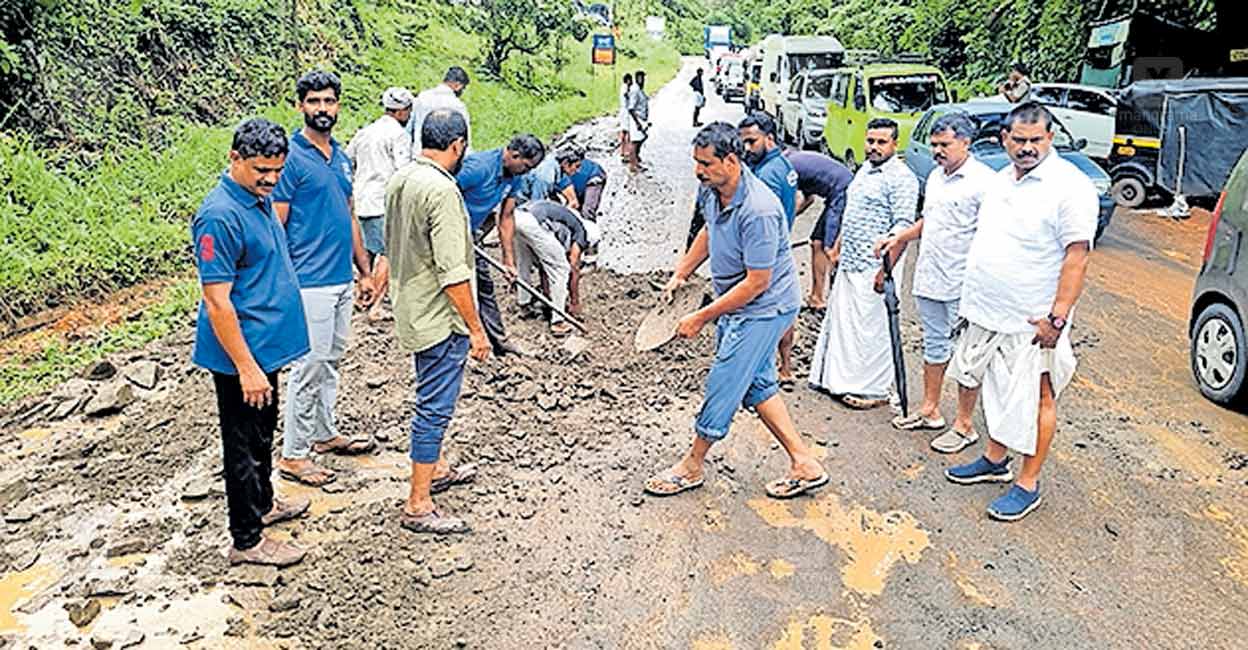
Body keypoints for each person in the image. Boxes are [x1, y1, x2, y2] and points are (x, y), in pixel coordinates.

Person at [644, 122, 827, 500]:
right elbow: (709, 233)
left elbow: (758, 282)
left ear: (731, 160)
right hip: (740, 303)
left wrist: (702, 315)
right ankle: (804, 463)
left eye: (706, 163)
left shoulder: (758, 210)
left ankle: (692, 464)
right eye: (696, 162)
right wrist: (681, 273)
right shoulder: (714, 192)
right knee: (758, 385)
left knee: (724, 383)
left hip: (764, 308)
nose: (699, 171)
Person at [944, 102, 1096, 522]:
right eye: (1020, 140)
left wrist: (1058, 317)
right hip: (989, 310)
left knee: (1037, 394)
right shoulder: (1000, 180)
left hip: (1034, 320)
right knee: (995, 387)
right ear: (1004, 139)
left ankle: (1028, 483)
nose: (1027, 148)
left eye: (1036, 140)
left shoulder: (1071, 187)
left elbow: (1077, 258)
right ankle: (995, 458)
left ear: (1050, 138)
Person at [191, 118, 311, 567]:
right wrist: (246, 367)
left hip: (265, 348)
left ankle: (264, 504)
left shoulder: (258, 199)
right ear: (234, 158)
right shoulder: (219, 216)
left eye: (277, 171)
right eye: (262, 170)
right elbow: (218, 302)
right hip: (241, 356)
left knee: (262, 436)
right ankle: (247, 541)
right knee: (241, 446)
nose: (271, 179)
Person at [378, 109, 490, 534]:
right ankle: (418, 502)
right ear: (459, 145)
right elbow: (453, 272)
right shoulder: (442, 191)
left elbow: (389, 242)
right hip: (440, 318)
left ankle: (437, 468)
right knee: (434, 406)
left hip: (411, 307)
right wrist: (476, 329)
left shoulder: (402, 179)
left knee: (430, 392)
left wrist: (377, 282)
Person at [272, 70, 377, 488]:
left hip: (339, 277)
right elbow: (276, 226)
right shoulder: (290, 159)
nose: (322, 109)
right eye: (313, 101)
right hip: (307, 280)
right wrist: (278, 283)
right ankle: (294, 454)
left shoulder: (341, 157)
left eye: (328, 101)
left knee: (330, 361)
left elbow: (348, 214)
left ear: (337, 105)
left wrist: (365, 271)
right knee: (309, 365)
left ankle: (323, 433)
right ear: (300, 105)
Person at [874, 112, 993, 452]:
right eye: (934, 145)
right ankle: (930, 410)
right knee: (934, 344)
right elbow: (928, 221)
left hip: (965, 282)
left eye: (944, 145)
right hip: (931, 275)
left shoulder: (984, 183)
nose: (937, 151)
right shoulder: (937, 178)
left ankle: (965, 425)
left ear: (966, 143)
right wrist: (898, 238)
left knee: (967, 354)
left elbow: (992, 235)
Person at [808, 118, 919, 409]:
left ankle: (874, 390)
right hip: (850, 261)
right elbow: (852, 212)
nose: (874, 147)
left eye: (882, 142)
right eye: (870, 141)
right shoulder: (864, 170)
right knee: (848, 325)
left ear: (895, 144)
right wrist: (837, 248)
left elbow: (902, 229)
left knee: (872, 328)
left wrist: (886, 270)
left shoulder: (902, 178)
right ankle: (839, 381)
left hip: (875, 266)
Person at [455, 134, 546, 356]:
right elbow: (441, 193)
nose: (528, 172)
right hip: (451, 234)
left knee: (484, 287)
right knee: (458, 287)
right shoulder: (478, 168)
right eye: (526, 165)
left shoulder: (515, 175)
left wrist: (508, 260)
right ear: (514, 155)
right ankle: (462, 344)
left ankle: (498, 342)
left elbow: (506, 217)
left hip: (472, 236)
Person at [736, 111, 800, 387]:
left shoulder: (767, 175)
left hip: (766, 252)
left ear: (769, 138)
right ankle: (786, 366)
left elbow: (758, 218)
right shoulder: (785, 166)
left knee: (764, 311)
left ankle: (766, 369)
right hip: (780, 246)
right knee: (784, 309)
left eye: (752, 142)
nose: (747, 149)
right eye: (744, 143)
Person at [345, 86, 414, 321]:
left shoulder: (365, 132)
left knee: (369, 252)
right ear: (403, 111)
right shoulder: (399, 135)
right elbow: (403, 171)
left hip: (361, 200)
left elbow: (348, 159)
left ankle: (360, 295)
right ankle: (375, 305)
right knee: (388, 253)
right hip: (383, 201)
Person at [784, 150, 853, 311]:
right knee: (817, 243)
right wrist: (789, 220)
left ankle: (842, 302)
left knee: (829, 248)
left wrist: (782, 227)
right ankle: (817, 298)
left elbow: (785, 206)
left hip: (843, 192)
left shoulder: (786, 169)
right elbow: (808, 200)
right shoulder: (792, 163)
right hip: (837, 193)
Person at [512, 199, 588, 332]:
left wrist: (548, 298)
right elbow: (573, 268)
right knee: (561, 269)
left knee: (524, 264)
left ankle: (524, 305)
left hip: (516, 217)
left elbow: (544, 266)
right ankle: (558, 322)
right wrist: (575, 302)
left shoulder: (563, 223)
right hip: (534, 221)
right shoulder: (581, 234)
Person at [411, 66, 471, 157]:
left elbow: (410, 127)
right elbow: (465, 139)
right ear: (457, 85)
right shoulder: (458, 106)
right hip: (444, 160)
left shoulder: (422, 97)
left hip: (419, 153)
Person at [627, 70, 650, 174]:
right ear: (636, 78)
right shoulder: (635, 90)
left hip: (641, 118)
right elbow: (631, 108)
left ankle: (636, 160)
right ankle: (633, 165)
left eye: (643, 78)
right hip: (636, 118)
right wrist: (637, 123)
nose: (642, 80)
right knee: (634, 142)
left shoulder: (640, 90)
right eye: (640, 78)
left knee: (642, 138)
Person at [618, 73, 634, 164]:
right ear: (628, 80)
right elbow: (626, 95)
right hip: (626, 112)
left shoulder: (622, 87)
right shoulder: (625, 88)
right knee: (628, 133)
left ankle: (622, 151)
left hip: (623, 111)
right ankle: (627, 152)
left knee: (623, 132)